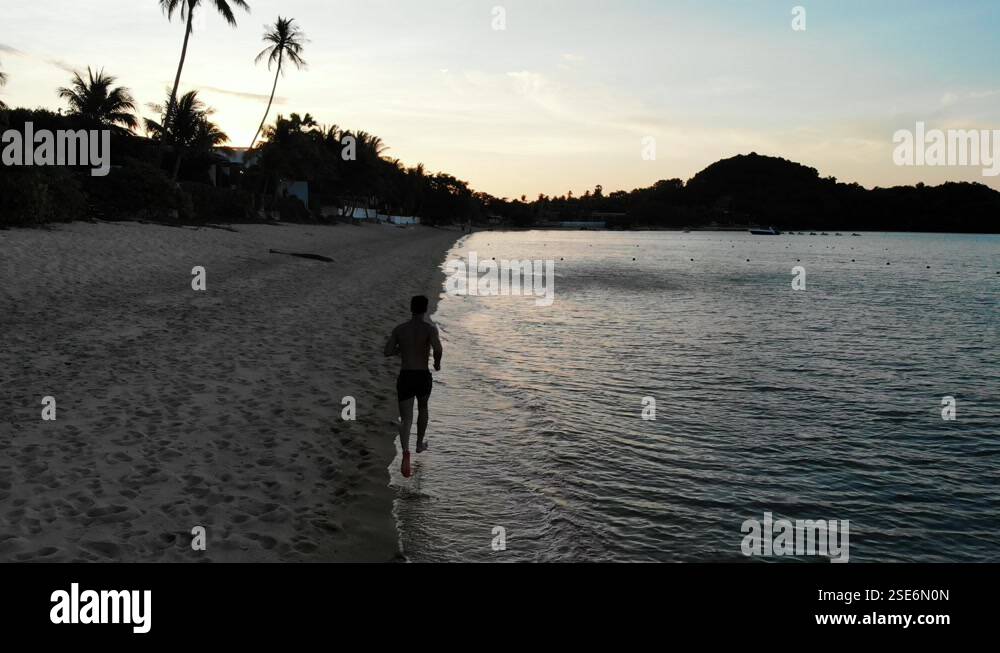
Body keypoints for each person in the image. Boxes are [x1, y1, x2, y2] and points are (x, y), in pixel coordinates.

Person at [384, 295, 442, 477]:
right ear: (425, 309)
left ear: (411, 308)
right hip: (423, 375)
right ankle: (419, 444)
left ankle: (406, 452)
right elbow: (438, 349)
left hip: (406, 375)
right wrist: (437, 364)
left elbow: (387, 352)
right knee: (423, 408)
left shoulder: (400, 329)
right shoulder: (429, 329)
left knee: (406, 418)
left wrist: (401, 350)